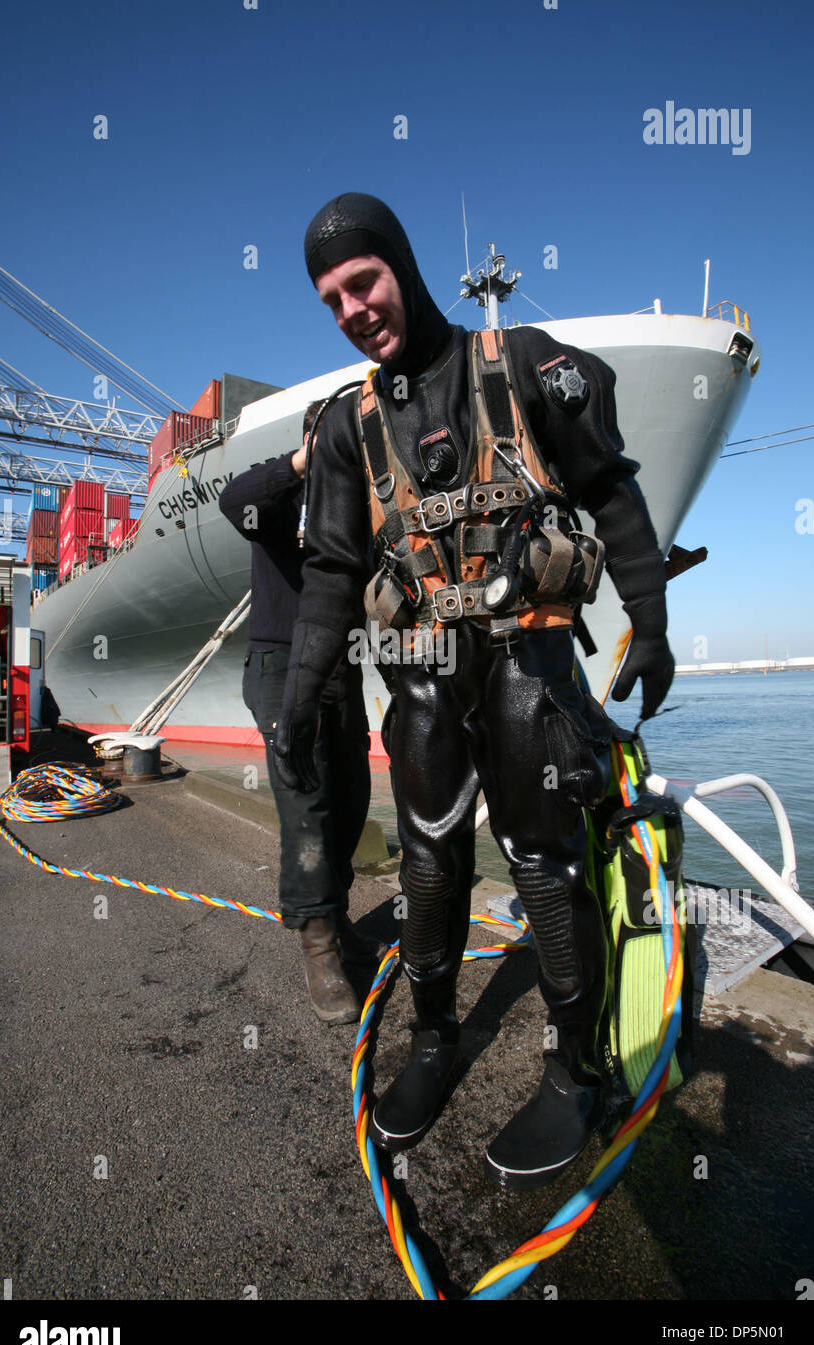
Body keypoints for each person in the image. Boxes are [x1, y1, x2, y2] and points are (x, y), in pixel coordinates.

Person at [273, 193, 674, 1187]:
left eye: (360, 282)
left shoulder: (522, 362)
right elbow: (328, 572)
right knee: (425, 867)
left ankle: (577, 1068)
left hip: (525, 662)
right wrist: (297, 693)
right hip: (416, 675)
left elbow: (610, 489)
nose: (351, 309)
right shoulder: (344, 429)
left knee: (543, 863)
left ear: (400, 266)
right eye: (330, 299)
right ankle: (432, 1039)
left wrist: (651, 625)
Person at [218, 401, 371, 1024]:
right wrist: (308, 459)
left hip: (343, 666)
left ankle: (334, 913)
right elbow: (235, 501)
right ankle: (318, 944)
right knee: (307, 804)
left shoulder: (362, 501)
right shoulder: (279, 494)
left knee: (353, 798)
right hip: (282, 666)